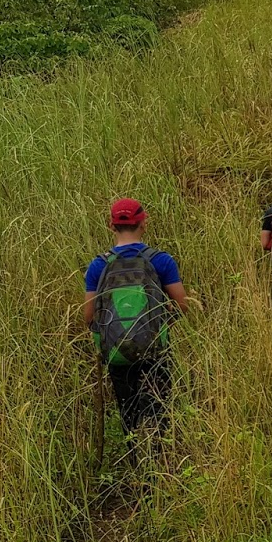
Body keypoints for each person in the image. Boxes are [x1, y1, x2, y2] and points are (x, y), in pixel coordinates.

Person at [83, 197, 189, 465]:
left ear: (111, 226)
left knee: (127, 405)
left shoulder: (98, 265)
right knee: (159, 403)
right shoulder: (161, 261)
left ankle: (134, 459)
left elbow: (89, 315)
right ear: (144, 223)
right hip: (155, 347)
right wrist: (159, 325)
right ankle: (159, 458)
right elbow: (182, 305)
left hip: (116, 351)